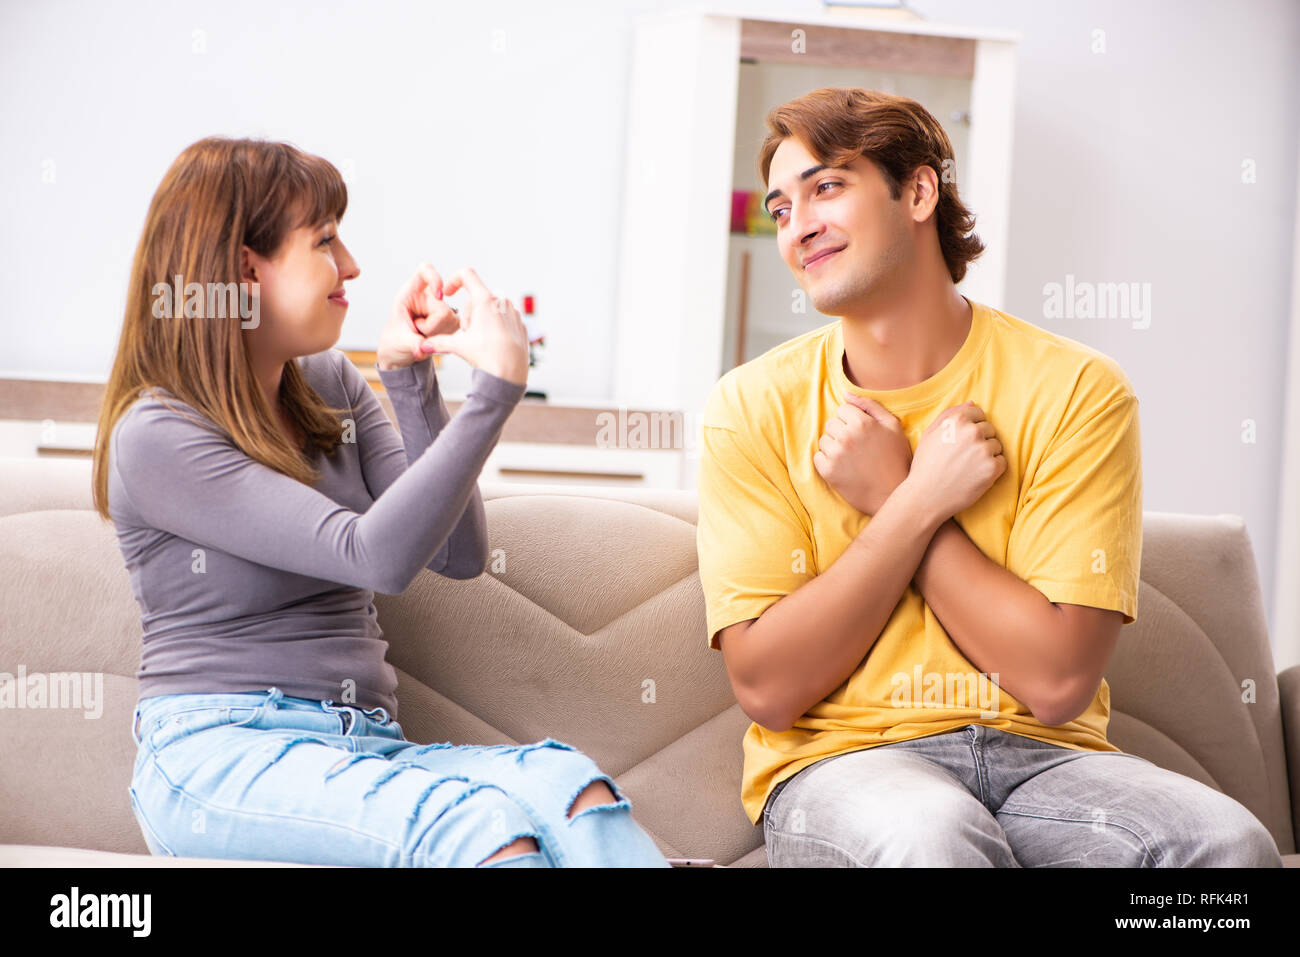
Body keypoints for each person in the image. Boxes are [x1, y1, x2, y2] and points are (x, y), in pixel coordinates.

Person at [695, 88, 1282, 867]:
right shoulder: (751, 406)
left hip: (1050, 762)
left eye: (827, 186)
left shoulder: (1076, 390)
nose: (797, 224)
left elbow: (1056, 678)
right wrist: (916, 499)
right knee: (931, 837)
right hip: (847, 766)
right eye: (781, 205)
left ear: (918, 191)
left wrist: (895, 493)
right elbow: (769, 688)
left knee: (1229, 845)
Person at [91, 135, 669, 868]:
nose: (353, 266)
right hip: (219, 754)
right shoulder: (158, 434)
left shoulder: (329, 383)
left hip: (364, 744)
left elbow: (454, 555)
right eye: (325, 240)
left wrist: (409, 380)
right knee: (480, 826)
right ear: (245, 268)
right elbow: (374, 554)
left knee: (570, 786)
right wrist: (493, 395)